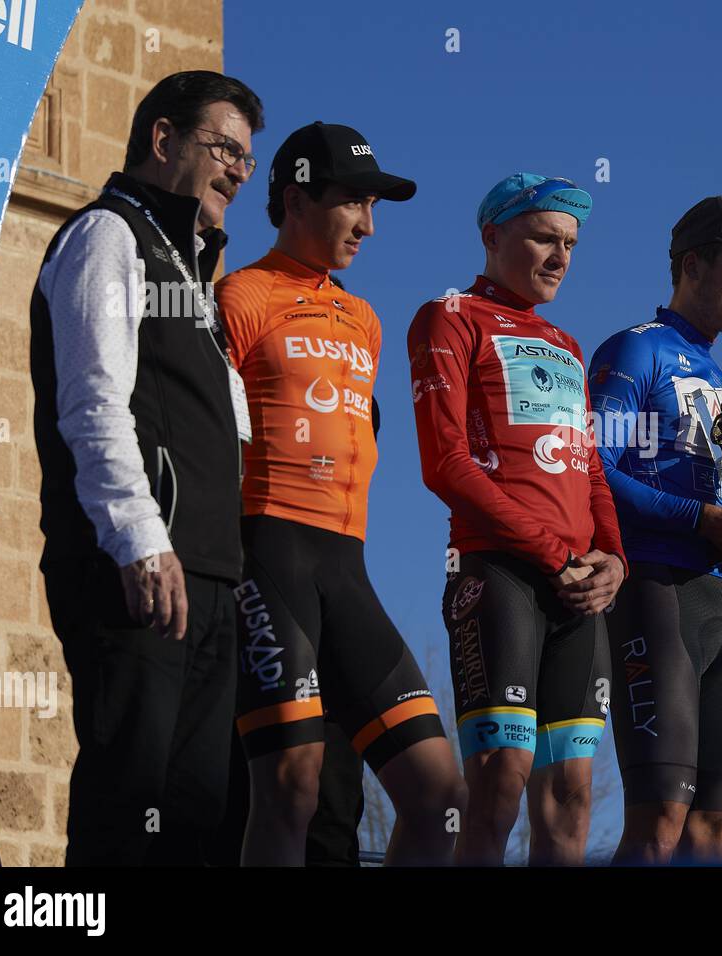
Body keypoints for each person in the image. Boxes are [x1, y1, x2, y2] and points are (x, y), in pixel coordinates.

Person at [214, 122, 464, 866]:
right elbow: (211, 440)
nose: (368, 223)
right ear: (296, 198)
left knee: (437, 794)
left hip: (347, 566)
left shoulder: (365, 318)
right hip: (268, 551)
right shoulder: (240, 295)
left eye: (374, 205)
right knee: (290, 786)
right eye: (354, 202)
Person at [30, 71, 264, 865]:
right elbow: (94, 400)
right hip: (139, 567)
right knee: (128, 808)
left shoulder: (190, 269)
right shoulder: (109, 235)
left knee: (196, 817)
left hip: (206, 576)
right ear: (163, 141)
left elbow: (220, 427)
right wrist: (137, 537)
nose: (237, 170)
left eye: (247, 160)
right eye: (224, 149)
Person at [407, 174, 627, 865]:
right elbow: (445, 464)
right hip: (498, 572)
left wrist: (614, 559)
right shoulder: (450, 315)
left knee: (572, 792)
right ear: (493, 236)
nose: (560, 256)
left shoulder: (565, 342)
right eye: (544, 238)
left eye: (570, 244)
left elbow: (587, 468)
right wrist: (551, 551)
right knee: (501, 777)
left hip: (578, 586)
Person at [586, 196, 722, 864]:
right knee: (660, 825)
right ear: (692, 265)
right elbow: (592, 471)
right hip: (659, 590)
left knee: (712, 838)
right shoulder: (635, 350)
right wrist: (700, 519)